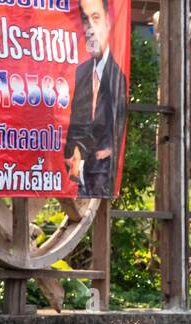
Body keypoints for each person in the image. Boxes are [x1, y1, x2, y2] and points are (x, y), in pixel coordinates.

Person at [64, 0, 128, 198]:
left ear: (108, 22)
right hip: (78, 170)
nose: (90, 28)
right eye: (85, 20)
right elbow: (76, 120)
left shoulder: (117, 76)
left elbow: (116, 125)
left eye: (96, 18)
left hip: (102, 169)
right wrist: (72, 151)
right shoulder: (81, 72)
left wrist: (103, 151)